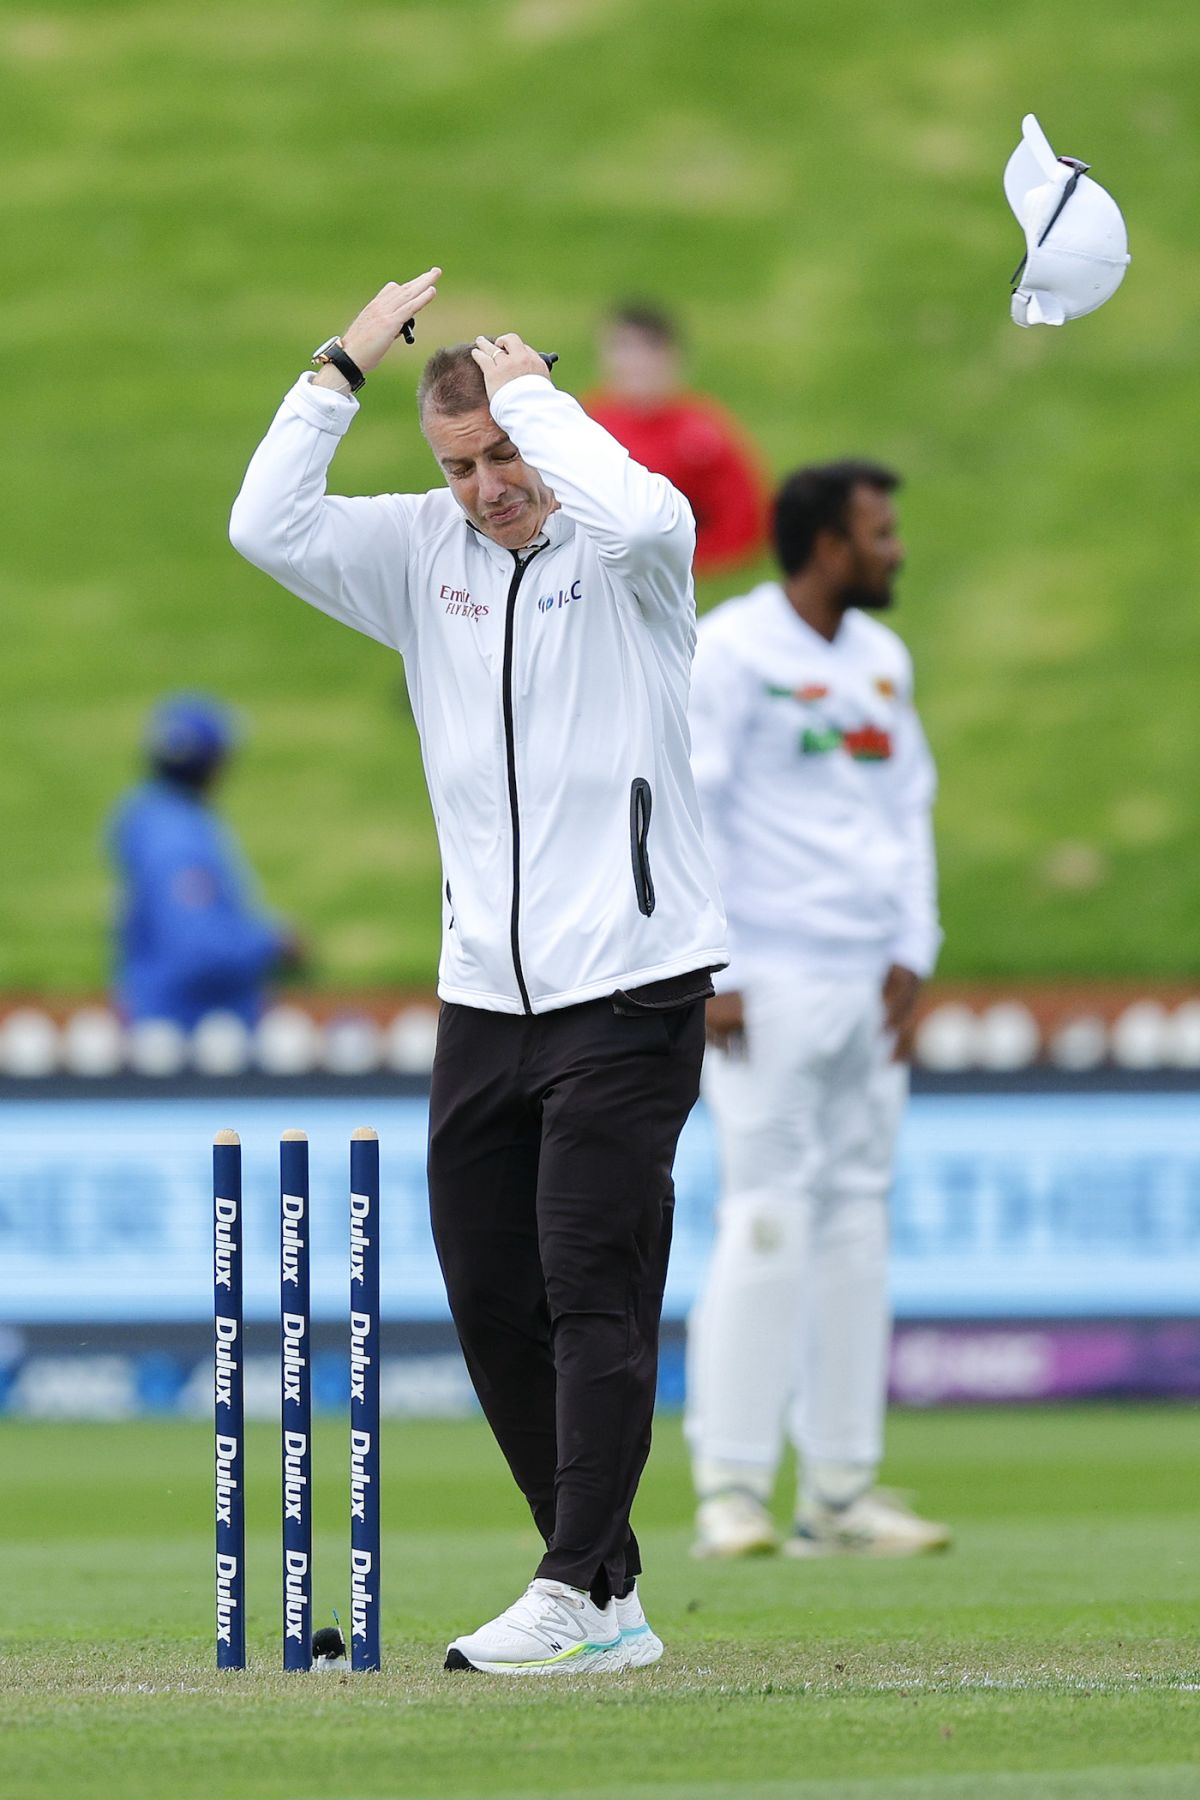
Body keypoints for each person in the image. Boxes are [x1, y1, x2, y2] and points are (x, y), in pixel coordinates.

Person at [229, 270, 727, 1673]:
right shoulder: (417, 559)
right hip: (486, 998)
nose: (489, 487)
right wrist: (338, 368)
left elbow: (637, 506)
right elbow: (260, 522)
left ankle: (567, 1589)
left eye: (500, 456)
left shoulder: (631, 558)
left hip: (631, 982)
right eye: (460, 466)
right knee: (491, 1292)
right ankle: (609, 1599)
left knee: (591, 1283)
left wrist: (533, 399)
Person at [684, 460, 950, 1559]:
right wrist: (709, 966)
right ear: (827, 546)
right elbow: (687, 803)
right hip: (769, 975)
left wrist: (915, 948)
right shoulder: (735, 648)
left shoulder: (882, 659)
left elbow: (909, 810)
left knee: (856, 1218)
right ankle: (732, 1489)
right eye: (879, 533)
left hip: (867, 980)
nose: (894, 550)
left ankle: (840, 1488)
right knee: (767, 1211)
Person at [108, 694, 301, 1029]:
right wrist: (271, 943)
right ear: (212, 763)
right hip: (189, 1035)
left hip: (167, 1020)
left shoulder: (152, 816)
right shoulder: (178, 842)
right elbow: (198, 948)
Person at [585, 303, 769, 577]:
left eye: (648, 349)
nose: (635, 362)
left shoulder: (701, 432)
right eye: (623, 348)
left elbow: (742, 517)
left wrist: (684, 563)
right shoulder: (586, 424)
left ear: (672, 358)